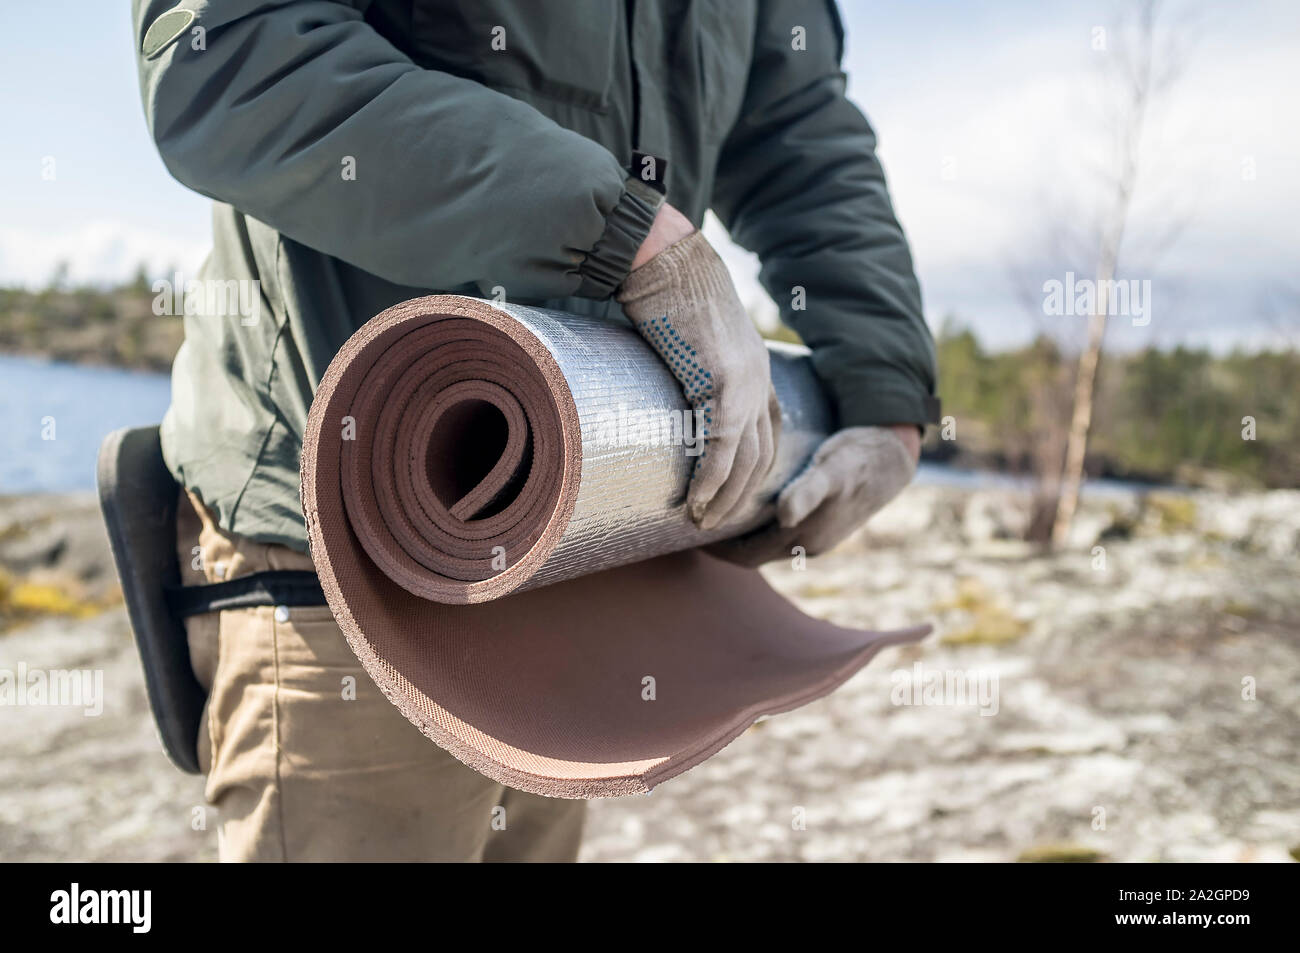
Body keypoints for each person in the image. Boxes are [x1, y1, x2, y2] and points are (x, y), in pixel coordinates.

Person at [131, 0, 939, 862]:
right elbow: (227, 58)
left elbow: (797, 137)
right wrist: (619, 234)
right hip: (338, 549)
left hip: (584, 552)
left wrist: (887, 396)